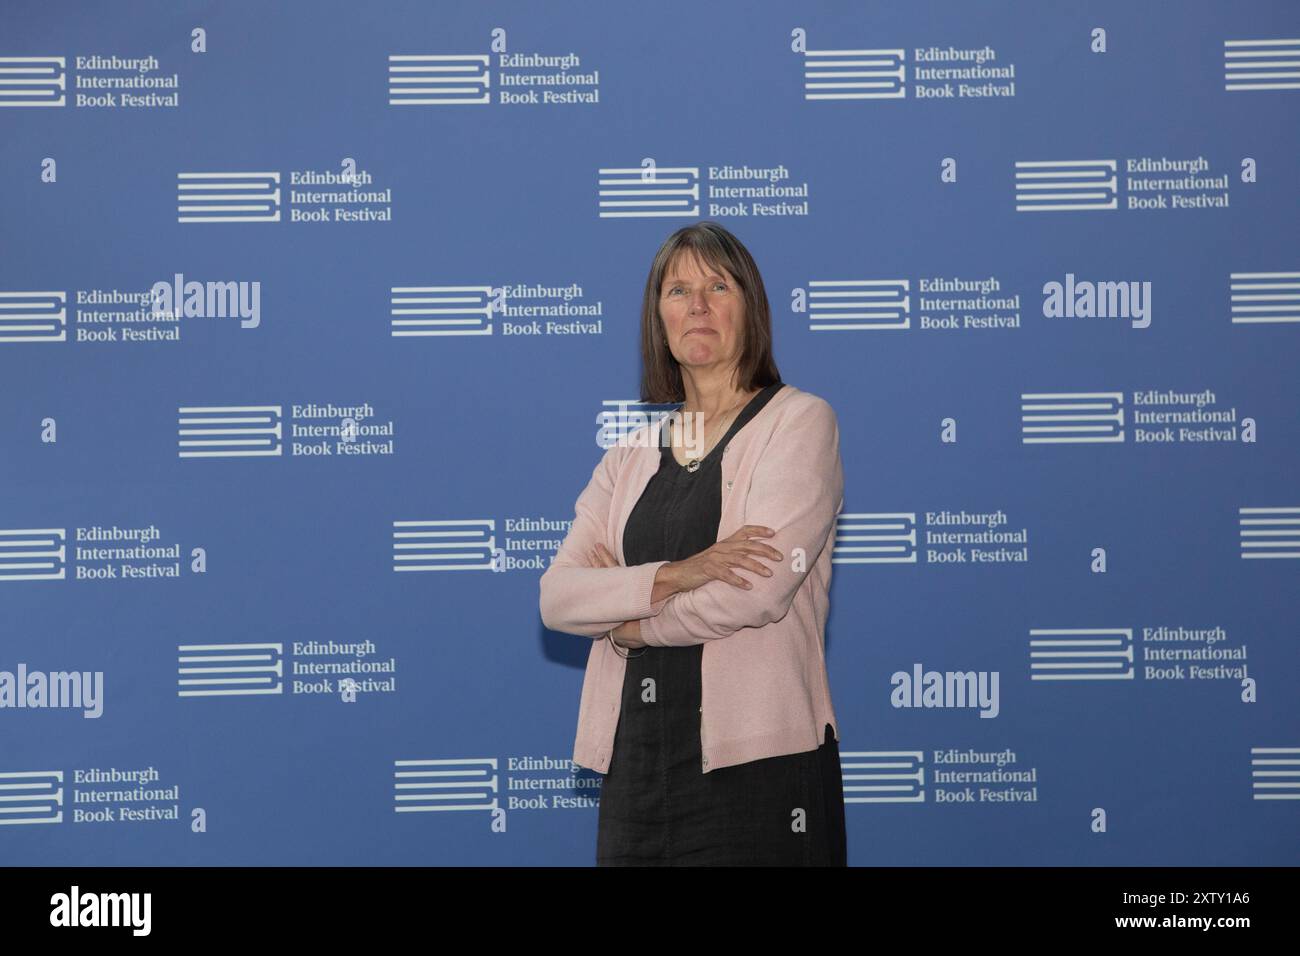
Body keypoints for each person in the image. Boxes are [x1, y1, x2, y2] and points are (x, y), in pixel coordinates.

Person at [539, 221, 847, 866]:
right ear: (659, 318)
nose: (697, 306)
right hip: (638, 768)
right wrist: (678, 574)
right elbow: (559, 599)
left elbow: (755, 592)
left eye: (717, 285)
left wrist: (631, 628)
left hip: (759, 767)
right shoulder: (628, 454)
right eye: (678, 290)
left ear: (750, 308)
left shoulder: (797, 421)